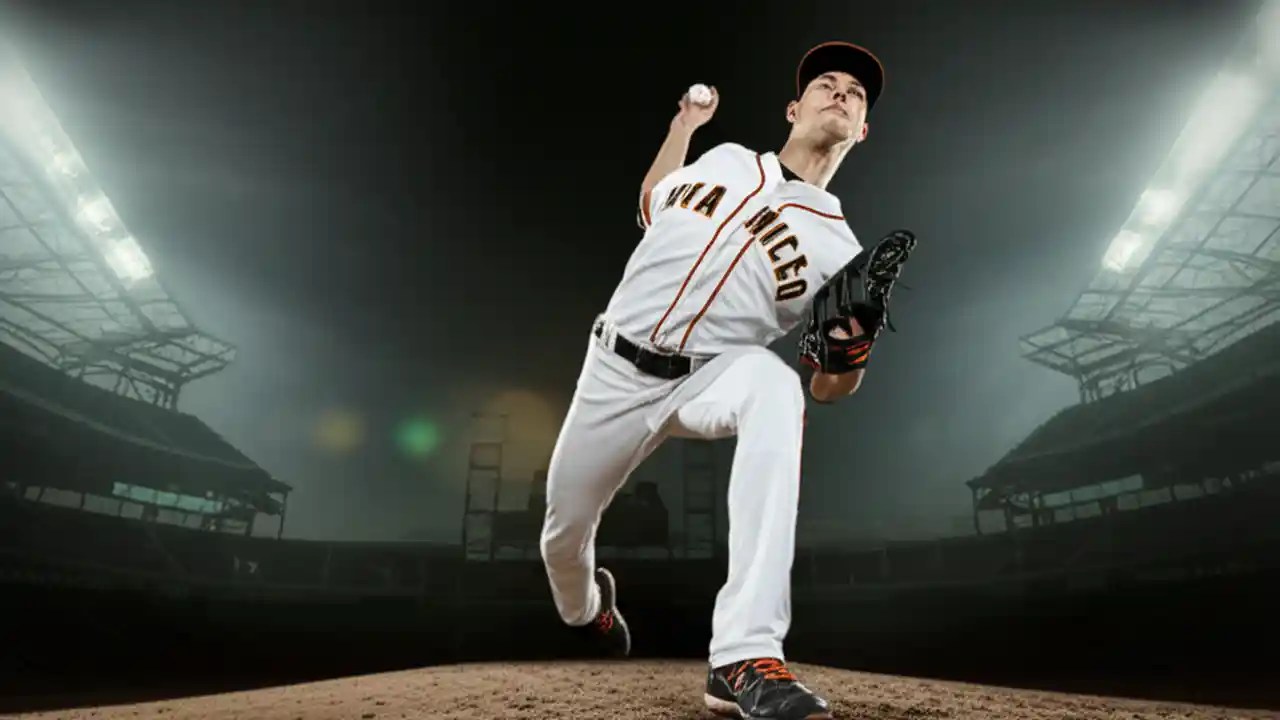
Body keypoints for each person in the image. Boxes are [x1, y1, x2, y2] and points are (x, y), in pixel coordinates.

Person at [539, 41, 897, 720]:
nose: (841, 92)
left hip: (709, 376)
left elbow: (827, 388)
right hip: (613, 370)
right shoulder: (726, 159)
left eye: (856, 93)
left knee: (775, 388)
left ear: (862, 129)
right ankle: (589, 610)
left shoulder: (841, 251)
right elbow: (653, 200)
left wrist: (850, 352)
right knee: (561, 536)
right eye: (826, 82)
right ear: (793, 108)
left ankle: (743, 654)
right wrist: (685, 126)